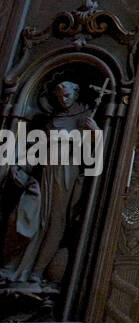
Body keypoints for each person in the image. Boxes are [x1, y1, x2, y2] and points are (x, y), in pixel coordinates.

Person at [0, 79, 100, 286]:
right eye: (59, 96)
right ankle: (17, 267)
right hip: (45, 171)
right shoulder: (54, 119)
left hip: (66, 171)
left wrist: (94, 133)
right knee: (31, 217)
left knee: (55, 222)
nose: (63, 100)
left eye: (67, 95)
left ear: (76, 92)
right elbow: (39, 148)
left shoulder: (86, 115)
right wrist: (22, 166)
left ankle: (37, 271)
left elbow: (93, 152)